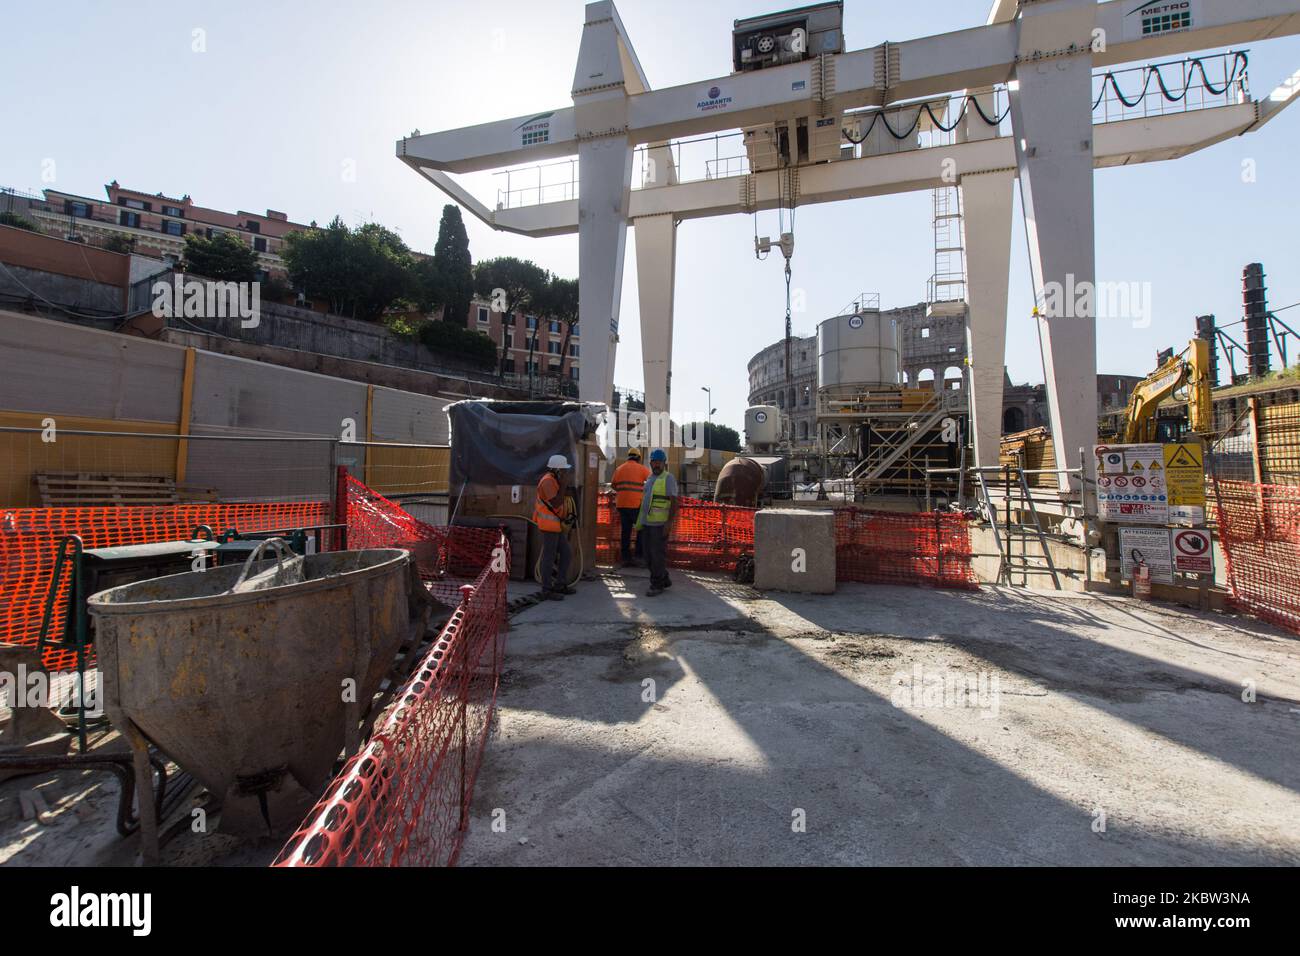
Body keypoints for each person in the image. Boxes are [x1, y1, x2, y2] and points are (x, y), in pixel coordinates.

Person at [634, 448, 678, 597]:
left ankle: (657, 584)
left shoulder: (668, 478)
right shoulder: (650, 479)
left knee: (656, 556)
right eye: (654, 462)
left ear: (664, 463)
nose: (656, 464)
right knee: (646, 556)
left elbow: (674, 502)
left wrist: (668, 523)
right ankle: (664, 578)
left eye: (659, 462)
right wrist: (640, 523)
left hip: (659, 526)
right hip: (646, 524)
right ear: (651, 463)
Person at [534, 454, 577, 600]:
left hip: (555, 525)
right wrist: (564, 485)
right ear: (557, 470)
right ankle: (546, 589)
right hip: (548, 525)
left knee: (566, 553)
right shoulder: (547, 482)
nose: (566, 473)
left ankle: (560, 584)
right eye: (564, 471)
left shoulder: (553, 480)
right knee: (549, 557)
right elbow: (556, 503)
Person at [611, 448, 651, 567]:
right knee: (642, 530)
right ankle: (639, 556)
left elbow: (613, 484)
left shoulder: (619, 469)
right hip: (635, 505)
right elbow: (651, 481)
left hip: (622, 505)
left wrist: (623, 492)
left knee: (626, 532)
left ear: (628, 457)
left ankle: (625, 558)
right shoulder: (642, 469)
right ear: (638, 458)